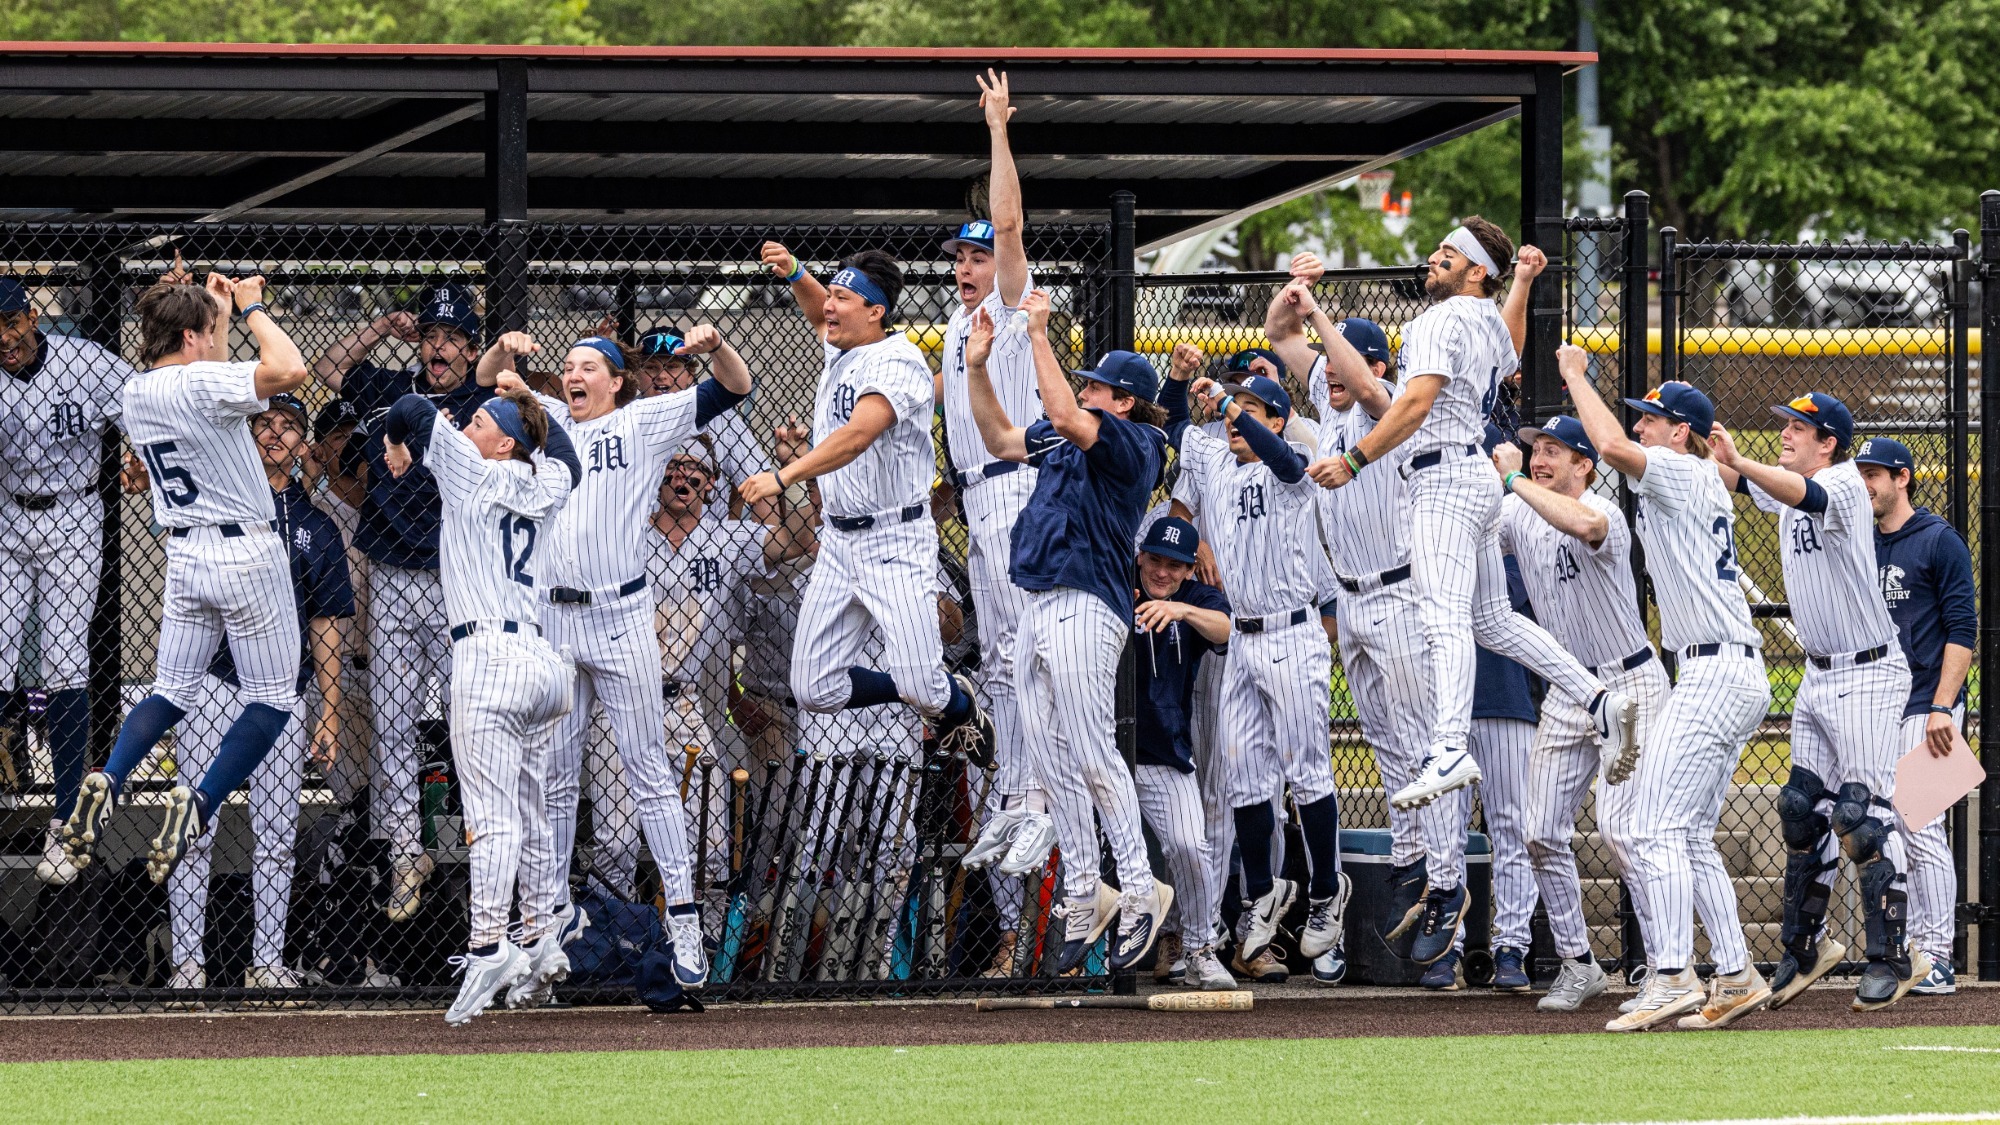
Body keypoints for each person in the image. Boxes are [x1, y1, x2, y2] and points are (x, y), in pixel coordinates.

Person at [1306, 219, 1638, 829]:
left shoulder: (1438, 320)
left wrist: (1355, 458)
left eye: (1448, 254)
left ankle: (1449, 747)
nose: (1434, 258)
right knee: (1492, 619)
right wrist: (1525, 285)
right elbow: (1510, 349)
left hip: (1441, 479)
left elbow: (1416, 401)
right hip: (1477, 477)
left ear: (1476, 271)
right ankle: (1599, 699)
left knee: (1443, 618)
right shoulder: (1484, 315)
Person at [476, 324, 753, 995]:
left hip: (621, 615)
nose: (573, 373)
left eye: (587, 366)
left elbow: (737, 386)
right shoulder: (543, 426)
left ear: (615, 380)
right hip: (555, 620)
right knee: (553, 778)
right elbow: (487, 380)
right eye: (566, 364)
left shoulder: (643, 421)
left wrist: (713, 346)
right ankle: (544, 931)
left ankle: (683, 919)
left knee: (649, 769)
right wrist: (509, 353)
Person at [61, 273, 312, 887]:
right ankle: (201, 803)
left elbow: (213, 389)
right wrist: (251, 309)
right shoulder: (203, 380)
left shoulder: (137, 392)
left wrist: (217, 318)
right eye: (204, 333)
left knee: (171, 689)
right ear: (187, 336)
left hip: (187, 557)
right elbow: (291, 368)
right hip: (247, 552)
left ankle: (112, 776)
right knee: (273, 699)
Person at [1265, 257, 1468, 988]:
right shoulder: (1330, 404)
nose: (1333, 372)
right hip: (1350, 602)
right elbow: (1279, 331)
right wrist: (1298, 291)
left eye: (1348, 358)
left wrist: (1323, 320)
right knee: (1387, 749)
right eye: (1331, 366)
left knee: (1425, 750)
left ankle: (1449, 894)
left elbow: (1368, 381)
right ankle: (1413, 876)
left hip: (1401, 594)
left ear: (1376, 362)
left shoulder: (1390, 412)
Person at [1556, 347, 1768, 1031]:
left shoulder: (1678, 468)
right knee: (1693, 833)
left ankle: (1672, 972)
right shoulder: (1693, 475)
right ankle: (1734, 973)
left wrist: (1574, 378)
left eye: (1655, 419)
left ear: (1682, 432)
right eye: (1644, 417)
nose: (1643, 426)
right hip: (1726, 668)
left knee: (1653, 823)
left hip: (1714, 668)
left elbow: (1611, 445)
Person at [960, 292, 1172, 973]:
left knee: (1090, 750)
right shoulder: (1069, 430)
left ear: (1126, 400)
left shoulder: (1137, 441)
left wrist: (1040, 335)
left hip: (1088, 601)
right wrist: (976, 369)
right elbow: (997, 439)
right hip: (1038, 601)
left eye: (1097, 387)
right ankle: (1085, 889)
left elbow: (1062, 414)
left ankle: (1140, 887)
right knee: (1052, 761)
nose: (1085, 392)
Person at [1714, 393, 1927, 1013]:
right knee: (1801, 809)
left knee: (1863, 819)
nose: (1785, 432)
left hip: (1868, 671)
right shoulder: (1788, 481)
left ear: (1828, 440)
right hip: (1818, 674)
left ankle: (1893, 956)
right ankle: (1806, 948)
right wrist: (1691, 441)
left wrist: (1743, 461)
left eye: (1798, 427)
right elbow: (1729, 477)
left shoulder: (1840, 482)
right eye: (1783, 423)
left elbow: (1791, 489)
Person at [743, 242, 993, 767]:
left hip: (892, 541)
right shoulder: (846, 343)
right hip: (838, 543)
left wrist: (783, 474)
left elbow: (858, 434)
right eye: (830, 296)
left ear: (876, 312)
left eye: (842, 299)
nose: (827, 308)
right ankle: (923, 690)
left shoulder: (897, 358)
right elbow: (820, 310)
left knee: (923, 687)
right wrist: (797, 273)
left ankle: (957, 699)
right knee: (813, 686)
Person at [379, 383, 580, 1025]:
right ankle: (543, 935)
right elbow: (569, 461)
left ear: (502, 442)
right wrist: (531, 402)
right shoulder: (543, 476)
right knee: (529, 809)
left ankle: (487, 945)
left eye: (476, 421)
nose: (463, 427)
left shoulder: (475, 468)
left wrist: (395, 441)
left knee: (494, 822)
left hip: (488, 661)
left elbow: (408, 407)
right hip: (544, 669)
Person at [1161, 356, 1350, 978]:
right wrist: (1193, 389)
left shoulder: (1290, 473)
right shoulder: (1214, 459)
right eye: (1235, 411)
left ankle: (1327, 890)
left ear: (1278, 417)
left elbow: (1290, 461)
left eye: (1254, 410)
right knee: (1243, 780)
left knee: (1308, 772)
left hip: (1293, 635)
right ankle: (1263, 892)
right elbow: (1182, 427)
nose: (1236, 420)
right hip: (1240, 640)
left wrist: (1237, 409)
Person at [162, 393, 352, 1002]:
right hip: (214, 684)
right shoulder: (216, 504)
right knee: (195, 824)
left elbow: (328, 621)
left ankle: (265, 960)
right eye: (263, 423)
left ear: (304, 444)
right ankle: (187, 964)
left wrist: (328, 708)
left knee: (276, 833)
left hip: (283, 691)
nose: (274, 434)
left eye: (289, 426)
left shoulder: (317, 525)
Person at [321, 283, 497, 921]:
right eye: (429, 336)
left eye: (451, 337)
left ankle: (486, 851)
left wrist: (488, 361)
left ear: (470, 345)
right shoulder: (390, 388)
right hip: (393, 573)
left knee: (469, 721)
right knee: (394, 722)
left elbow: (517, 382)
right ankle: (404, 854)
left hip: (459, 576)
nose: (438, 347)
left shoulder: (483, 400)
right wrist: (379, 327)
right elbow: (329, 370)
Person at [1490, 415, 1669, 1012]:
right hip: (1572, 691)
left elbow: (1580, 523)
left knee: (1629, 835)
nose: (1539, 458)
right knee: (1538, 831)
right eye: (1535, 449)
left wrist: (1514, 481)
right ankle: (1578, 962)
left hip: (1633, 684)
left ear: (1584, 464)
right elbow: (1482, 533)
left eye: (1553, 451)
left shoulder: (1603, 509)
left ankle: (1664, 965)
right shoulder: (1519, 508)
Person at [943, 72, 1059, 941]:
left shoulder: (1012, 311)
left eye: (978, 256)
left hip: (1018, 487)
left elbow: (1013, 221)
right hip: (977, 503)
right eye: (961, 255)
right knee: (1003, 662)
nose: (969, 265)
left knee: (1025, 657)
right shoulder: (952, 326)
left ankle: (1035, 794)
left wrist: (998, 131)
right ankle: (1021, 791)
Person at [0, 277, 135, 886]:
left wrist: (137, 453)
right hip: (7, 514)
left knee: (63, 662)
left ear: (31, 317)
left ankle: (63, 822)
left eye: (11, 323)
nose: (4, 338)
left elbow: (141, 402)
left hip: (75, 515)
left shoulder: (81, 361)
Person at [647, 435, 817, 916]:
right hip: (629, 701)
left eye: (694, 469)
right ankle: (627, 942)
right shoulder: (628, 533)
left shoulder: (727, 537)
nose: (682, 475)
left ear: (712, 485)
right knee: (619, 844)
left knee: (713, 844)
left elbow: (800, 540)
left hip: (689, 702)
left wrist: (792, 472)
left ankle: (707, 940)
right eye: (673, 466)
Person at [1856, 437, 1975, 997]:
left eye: (1874, 474)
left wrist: (1943, 707)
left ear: (1902, 478)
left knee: (1921, 826)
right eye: (1860, 473)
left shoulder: (1938, 540)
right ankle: (1906, 951)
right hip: (1877, 703)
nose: (1865, 483)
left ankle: (1939, 956)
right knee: (1887, 827)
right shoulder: (1858, 541)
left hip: (1929, 700)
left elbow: (1963, 631)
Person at [1129, 517, 1235, 991]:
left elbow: (1226, 629)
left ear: (1190, 569)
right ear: (1140, 556)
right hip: (1099, 751)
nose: (1162, 572)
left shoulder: (1194, 598)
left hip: (1161, 750)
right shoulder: (1116, 581)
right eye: (1155, 560)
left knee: (1191, 846)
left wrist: (1178, 611)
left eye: (1175, 565)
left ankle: (1198, 949)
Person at [631, 324, 775, 523]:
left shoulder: (722, 417)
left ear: (690, 375)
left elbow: (757, 479)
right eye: (650, 367)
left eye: (672, 366)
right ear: (637, 376)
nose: (661, 375)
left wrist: (738, 538)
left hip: (708, 541)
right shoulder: (626, 418)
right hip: (642, 542)